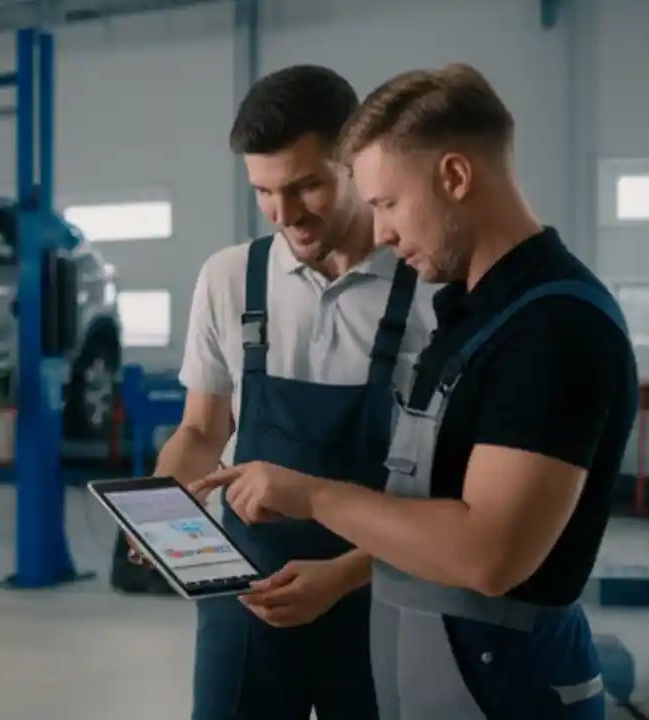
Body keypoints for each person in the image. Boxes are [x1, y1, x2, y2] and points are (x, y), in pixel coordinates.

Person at [192, 63, 639, 719]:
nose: (383, 233)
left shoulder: (552, 328)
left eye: (387, 204)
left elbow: (488, 553)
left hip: (501, 683)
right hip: (436, 670)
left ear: (454, 176)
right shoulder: (475, 316)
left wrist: (312, 495)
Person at [147, 64, 439, 720]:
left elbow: (447, 487)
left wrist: (344, 576)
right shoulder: (229, 278)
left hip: (378, 596)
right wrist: (164, 504)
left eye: (306, 186)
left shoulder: (427, 287)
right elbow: (201, 431)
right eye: (264, 192)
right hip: (246, 594)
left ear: (357, 164)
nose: (285, 215)